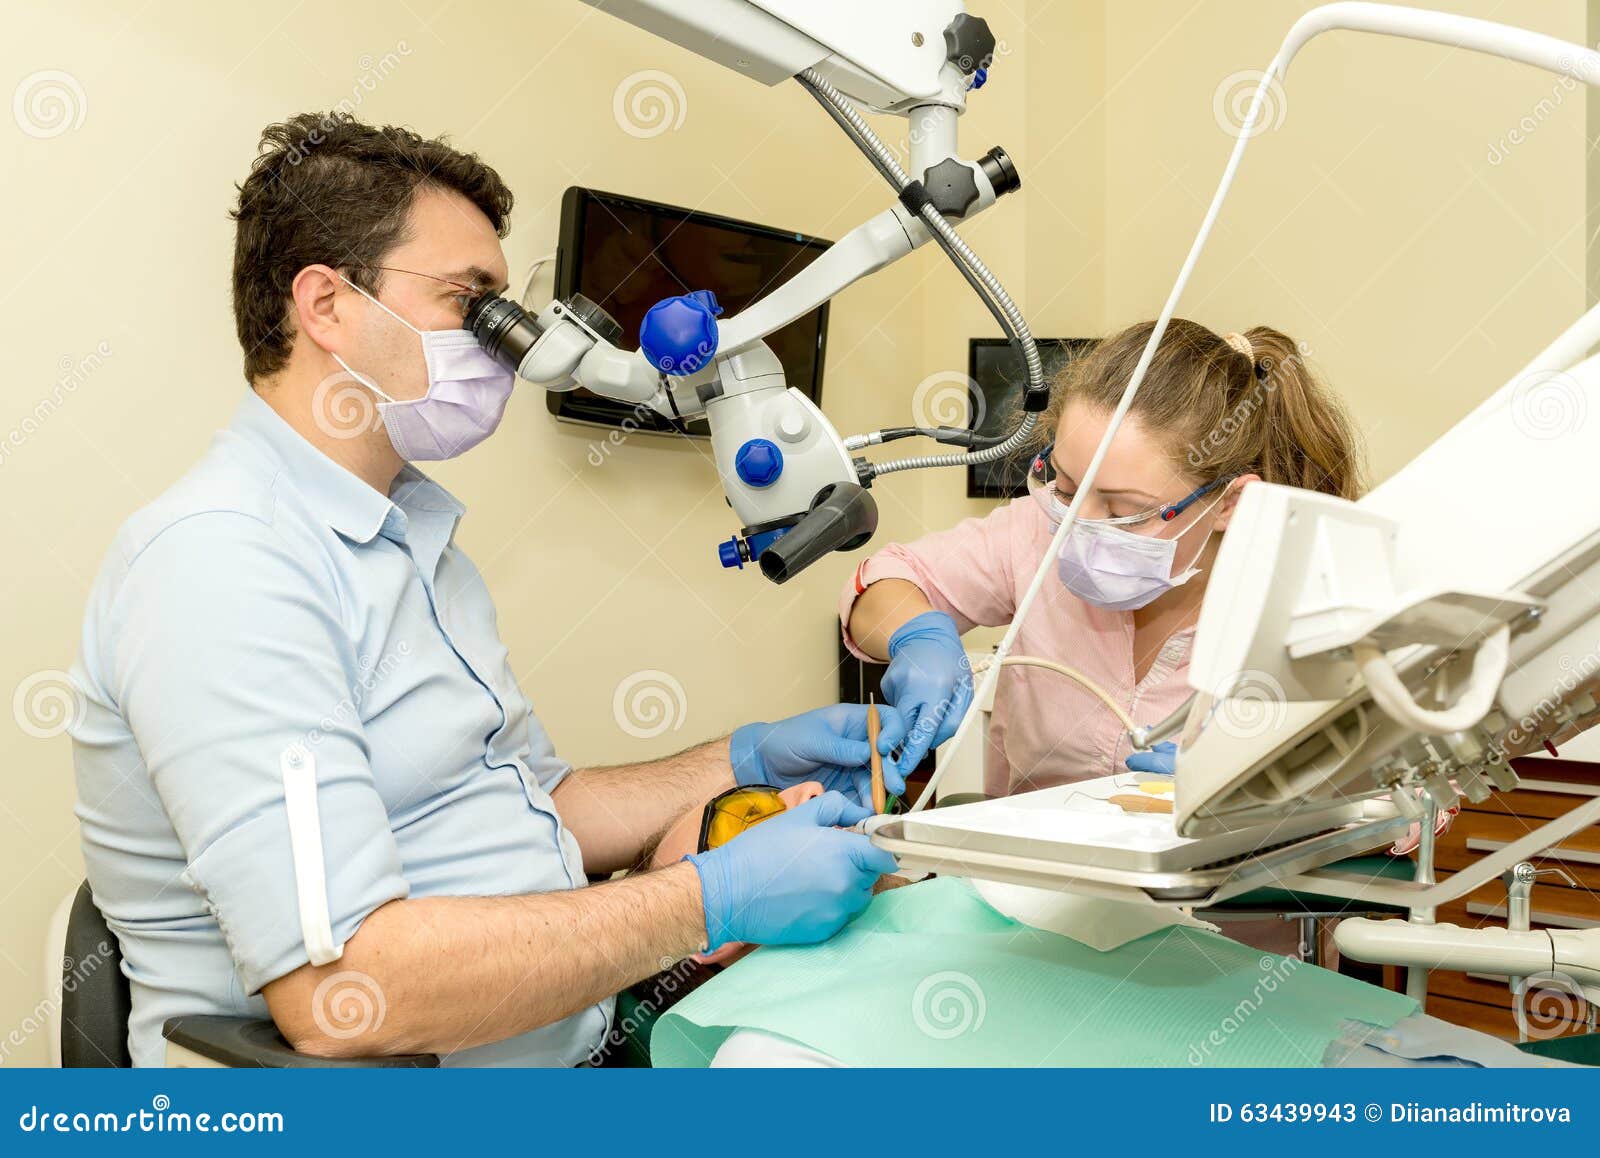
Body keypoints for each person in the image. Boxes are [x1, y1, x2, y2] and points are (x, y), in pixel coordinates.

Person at [67, 112, 908, 1067]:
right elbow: (350, 993)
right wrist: (706, 899)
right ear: (327, 305)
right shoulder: (220, 566)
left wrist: (746, 757)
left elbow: (535, 802)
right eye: (468, 302)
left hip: (570, 1044)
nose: (507, 347)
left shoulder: (412, 535)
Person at [623, 786, 1561, 1069]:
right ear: (709, 937)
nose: (800, 801)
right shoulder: (766, 1046)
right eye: (749, 827)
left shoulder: (980, 898)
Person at [841, 320, 1366, 796]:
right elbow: (885, 583)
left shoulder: (1314, 600)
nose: (1078, 524)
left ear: (1230, 503)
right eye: (1067, 486)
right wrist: (917, 637)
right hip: (1027, 887)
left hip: (1210, 899)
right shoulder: (1032, 534)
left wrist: (1275, 790)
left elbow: (1403, 806)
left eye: (1122, 508)